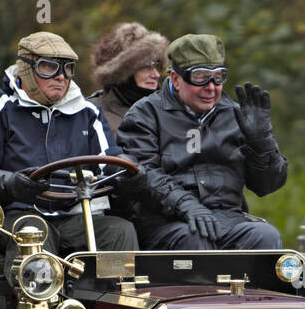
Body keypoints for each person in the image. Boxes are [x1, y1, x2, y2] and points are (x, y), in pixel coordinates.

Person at [0, 30, 139, 263]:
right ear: (27, 69)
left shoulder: (87, 112)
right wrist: (10, 184)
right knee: (33, 234)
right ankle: (39, 298)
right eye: (49, 67)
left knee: (119, 231)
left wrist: (128, 171)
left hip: (76, 214)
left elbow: (109, 160)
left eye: (68, 68)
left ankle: (110, 297)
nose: (61, 77)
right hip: (20, 214)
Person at [118, 33, 285, 250]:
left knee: (266, 236)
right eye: (200, 76)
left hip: (228, 219)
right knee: (196, 242)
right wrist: (185, 204)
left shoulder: (236, 115)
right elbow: (142, 172)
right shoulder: (145, 114)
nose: (211, 87)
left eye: (218, 77)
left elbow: (268, 185)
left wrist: (261, 141)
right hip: (168, 222)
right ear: (176, 80)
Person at [88, 22, 169, 131]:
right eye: (146, 66)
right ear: (122, 72)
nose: (156, 75)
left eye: (156, 65)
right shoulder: (90, 114)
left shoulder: (170, 112)